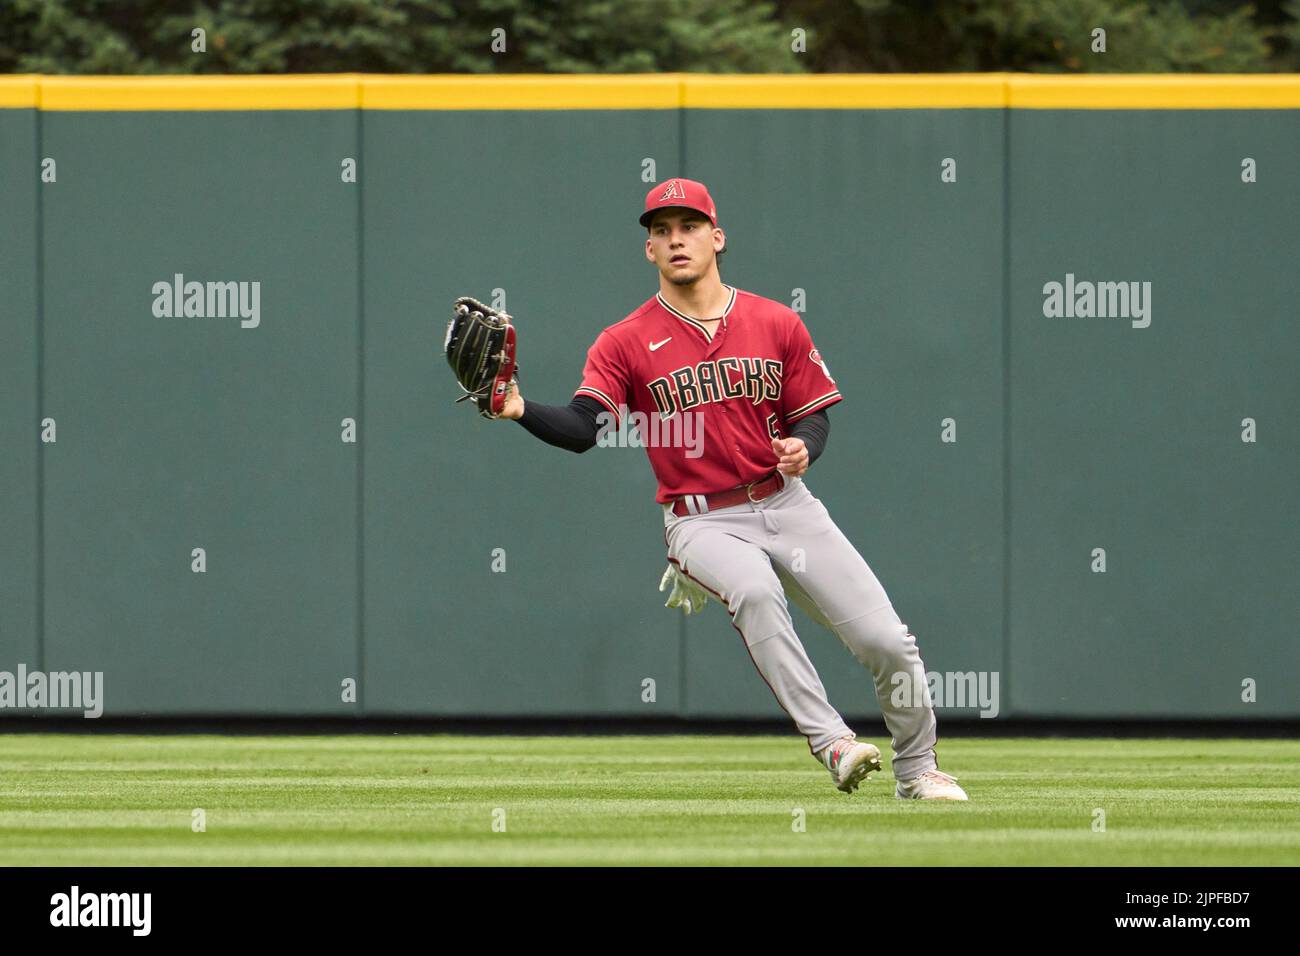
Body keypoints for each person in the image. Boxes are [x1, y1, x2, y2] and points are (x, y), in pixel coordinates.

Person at [497, 178, 967, 800]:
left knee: (887, 642)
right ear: (649, 252)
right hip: (701, 521)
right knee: (753, 590)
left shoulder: (774, 321)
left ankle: (919, 769)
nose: (675, 239)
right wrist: (519, 407)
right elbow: (586, 429)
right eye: (660, 231)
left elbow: (812, 413)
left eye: (688, 227)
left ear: (716, 238)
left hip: (785, 502)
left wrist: (806, 445)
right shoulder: (625, 340)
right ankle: (833, 743)